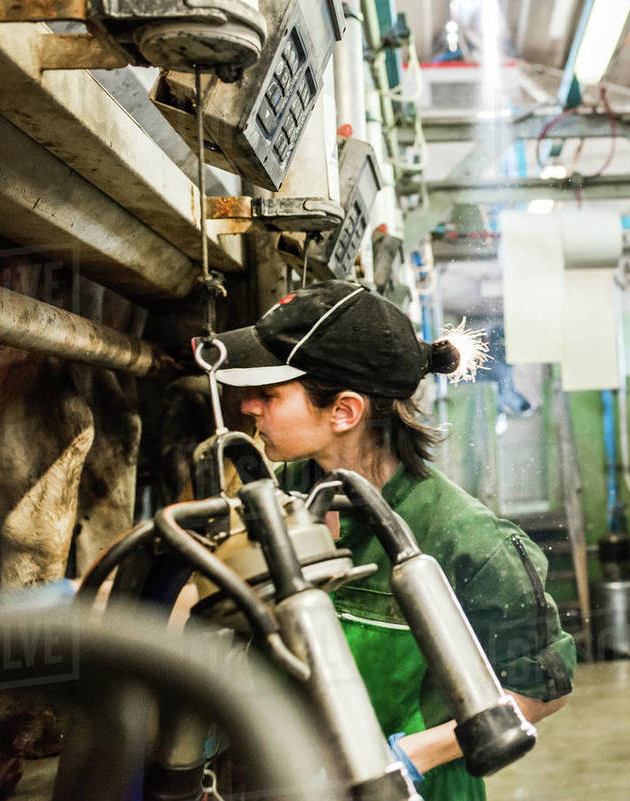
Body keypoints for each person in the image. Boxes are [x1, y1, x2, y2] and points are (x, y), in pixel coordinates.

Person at [211, 280, 575, 800]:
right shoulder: (275, 500)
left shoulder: (465, 538)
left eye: (269, 395)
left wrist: (404, 759)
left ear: (344, 411)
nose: (248, 407)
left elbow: (542, 691)